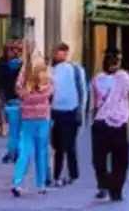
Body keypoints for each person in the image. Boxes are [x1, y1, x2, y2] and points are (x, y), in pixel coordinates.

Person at [91, 50, 129, 201]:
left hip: (100, 122)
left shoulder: (97, 79)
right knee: (120, 160)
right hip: (119, 123)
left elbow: (94, 103)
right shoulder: (124, 77)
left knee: (99, 159)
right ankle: (116, 190)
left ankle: (103, 183)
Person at [10, 46, 54, 197]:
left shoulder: (24, 72)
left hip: (27, 116)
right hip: (43, 116)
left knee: (25, 150)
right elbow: (50, 92)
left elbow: (18, 89)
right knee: (41, 151)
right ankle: (41, 184)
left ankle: (17, 182)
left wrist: (27, 96)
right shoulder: (46, 72)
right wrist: (40, 97)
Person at [49, 42, 87, 186]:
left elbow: (82, 91)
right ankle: (60, 175)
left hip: (71, 110)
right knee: (58, 145)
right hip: (56, 111)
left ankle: (69, 174)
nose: (59, 55)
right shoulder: (51, 70)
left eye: (62, 52)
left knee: (69, 146)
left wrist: (81, 111)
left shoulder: (76, 69)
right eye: (57, 52)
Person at [0, 40, 24, 163]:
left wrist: (1, 97)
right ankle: (16, 152)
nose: (16, 52)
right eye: (14, 49)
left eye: (18, 49)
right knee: (17, 129)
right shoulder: (20, 65)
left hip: (10, 100)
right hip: (16, 99)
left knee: (14, 129)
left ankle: (13, 153)